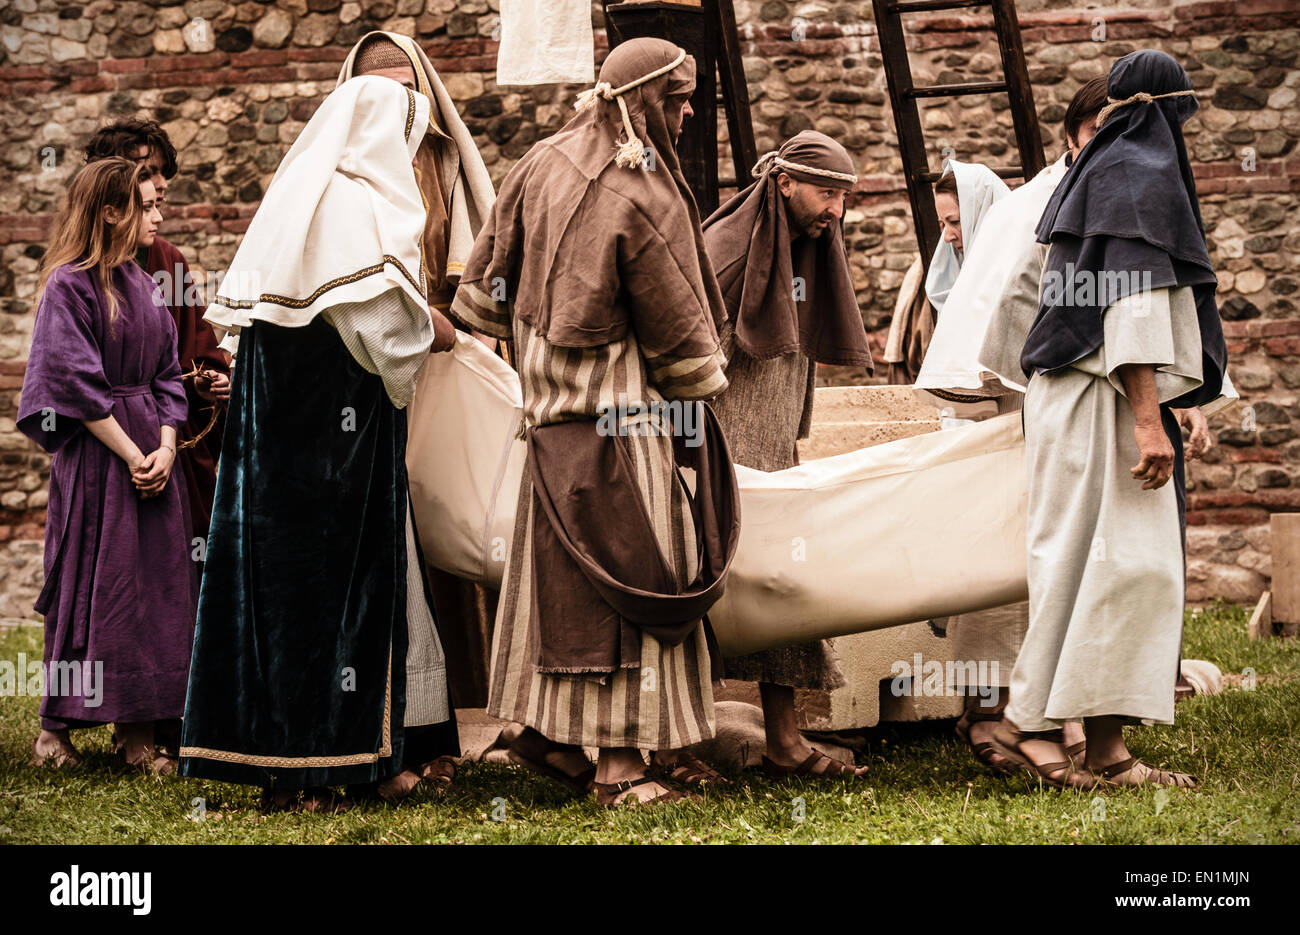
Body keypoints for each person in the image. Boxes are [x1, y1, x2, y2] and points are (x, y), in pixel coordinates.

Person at [450, 38, 738, 808]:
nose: (683, 115)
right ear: (643, 97)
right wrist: (700, 389)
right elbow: (684, 347)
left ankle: (542, 735)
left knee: (554, 594)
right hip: (623, 426)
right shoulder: (644, 191)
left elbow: (480, 296)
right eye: (677, 99)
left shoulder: (537, 161)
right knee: (631, 590)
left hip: (546, 429)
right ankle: (619, 768)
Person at [179, 75, 457, 812]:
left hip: (272, 447)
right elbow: (383, 336)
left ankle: (285, 768)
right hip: (337, 450)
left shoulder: (299, 195)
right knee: (334, 604)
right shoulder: (357, 208)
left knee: (276, 598)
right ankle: (317, 771)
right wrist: (436, 330)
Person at [981, 50, 1228, 788]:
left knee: (1088, 563)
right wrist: (1152, 419)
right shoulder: (1135, 177)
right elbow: (1132, 307)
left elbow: (1041, 299)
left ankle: (1058, 734)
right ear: (1168, 110)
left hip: (1075, 396)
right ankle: (1082, 742)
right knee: (1127, 566)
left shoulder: (1089, 177)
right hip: (1107, 400)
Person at [914, 77, 1110, 771]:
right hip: (1009, 396)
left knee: (1038, 556)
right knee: (1010, 554)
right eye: (1100, 128)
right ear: (1071, 135)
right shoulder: (1049, 203)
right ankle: (1001, 715)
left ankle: (1043, 712)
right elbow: (1012, 313)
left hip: (1024, 394)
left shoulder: (1069, 195)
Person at [336, 28, 499, 800]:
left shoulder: (440, 161)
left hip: (443, 357)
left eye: (409, 82)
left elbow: (477, 268)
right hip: (374, 371)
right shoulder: (339, 172)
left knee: (459, 520)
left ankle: (458, 718)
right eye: (382, 84)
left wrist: (449, 321)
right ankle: (407, 722)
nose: (400, 97)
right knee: (398, 542)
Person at [681, 130, 873, 781]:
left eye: (844, 197)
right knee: (694, 592)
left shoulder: (809, 245)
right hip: (716, 453)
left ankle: (785, 740)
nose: (836, 212)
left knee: (783, 589)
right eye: (827, 193)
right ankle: (673, 746)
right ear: (784, 181)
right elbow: (683, 352)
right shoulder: (729, 251)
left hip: (773, 454)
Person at [20, 157, 195, 774]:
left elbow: (170, 377)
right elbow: (73, 382)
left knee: (155, 594)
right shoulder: (68, 286)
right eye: (147, 205)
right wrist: (131, 454)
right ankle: (54, 731)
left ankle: (139, 733)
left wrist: (167, 448)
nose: (159, 214)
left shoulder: (147, 285)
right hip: (99, 460)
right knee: (91, 585)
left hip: (154, 456)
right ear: (111, 211)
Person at [84, 118, 231, 552]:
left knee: (183, 558)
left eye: (163, 172)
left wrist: (212, 379)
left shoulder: (169, 259)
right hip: (110, 437)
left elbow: (198, 348)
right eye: (147, 172)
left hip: (175, 437)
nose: (161, 184)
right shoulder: (79, 275)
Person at [884, 161, 1008, 383]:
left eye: (955, 222)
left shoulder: (1014, 271)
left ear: (981, 213)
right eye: (942, 225)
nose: (948, 236)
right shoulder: (952, 272)